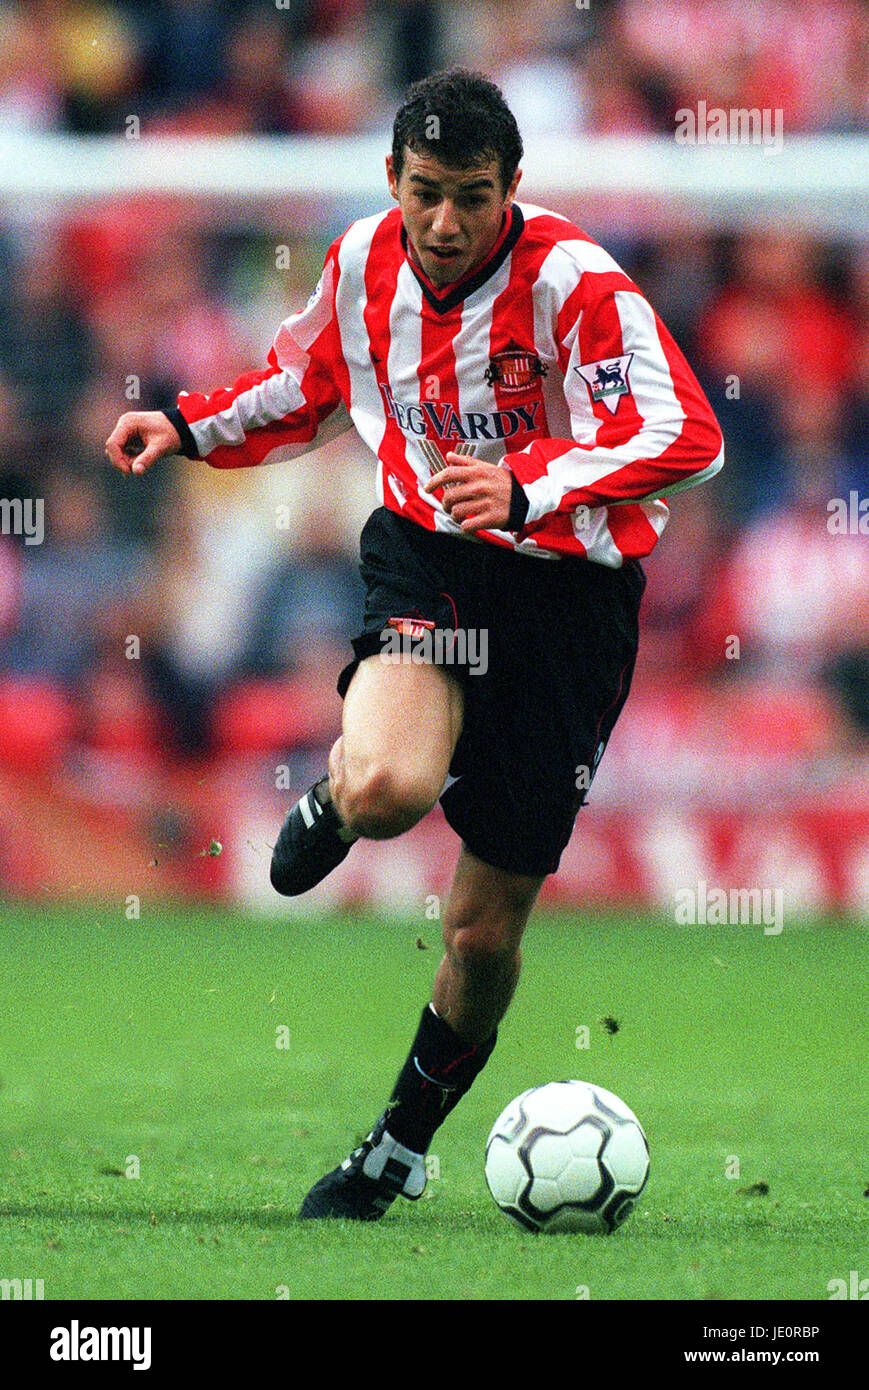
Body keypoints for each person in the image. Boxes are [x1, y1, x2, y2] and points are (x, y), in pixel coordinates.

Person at [105, 69, 724, 1221]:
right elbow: (303, 388)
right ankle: (343, 800)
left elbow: (685, 430)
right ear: (391, 179)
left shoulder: (574, 284)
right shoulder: (359, 266)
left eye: (473, 197)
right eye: (426, 193)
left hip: (568, 608)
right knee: (390, 783)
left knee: (480, 932)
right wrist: (187, 425)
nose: (445, 223)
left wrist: (529, 486)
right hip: (431, 558)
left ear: (513, 190)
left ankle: (396, 1145)